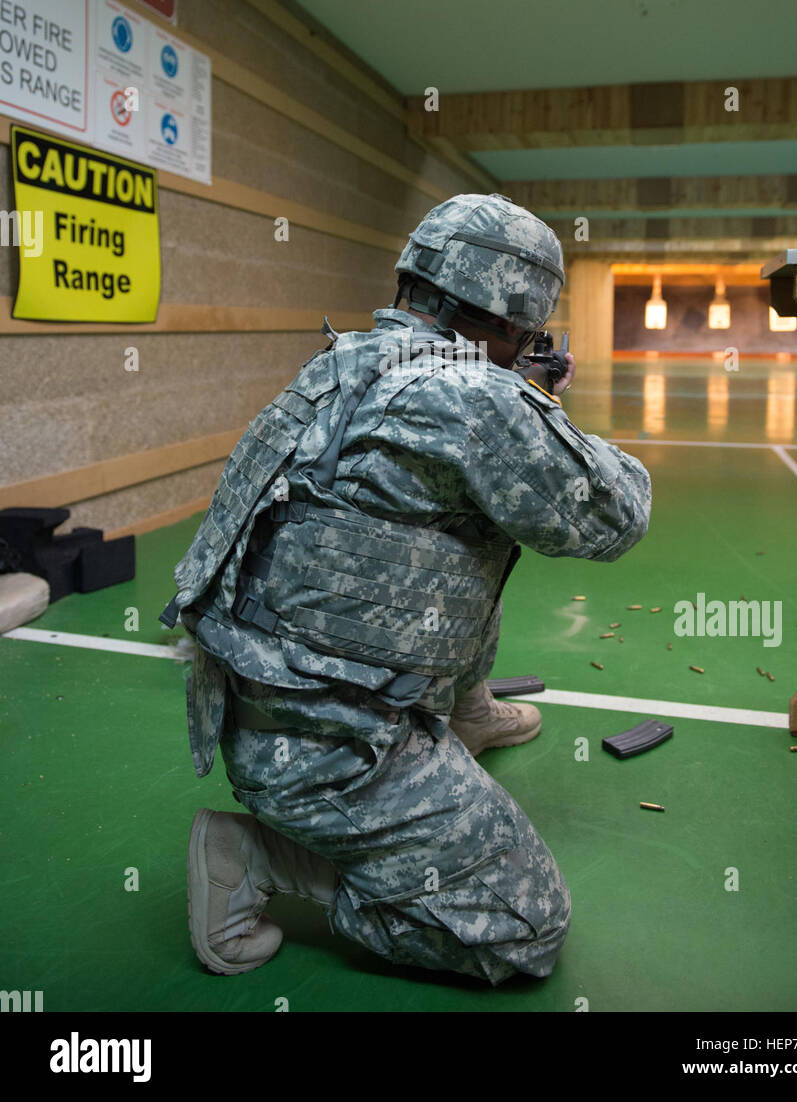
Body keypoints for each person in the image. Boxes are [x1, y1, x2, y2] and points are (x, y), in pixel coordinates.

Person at [161, 192, 651, 986]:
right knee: (520, 927)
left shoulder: (343, 360)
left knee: (457, 536)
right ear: (518, 319)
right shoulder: (475, 396)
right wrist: (542, 409)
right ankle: (255, 857)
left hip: (260, 699)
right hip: (330, 748)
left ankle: (468, 713)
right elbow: (613, 516)